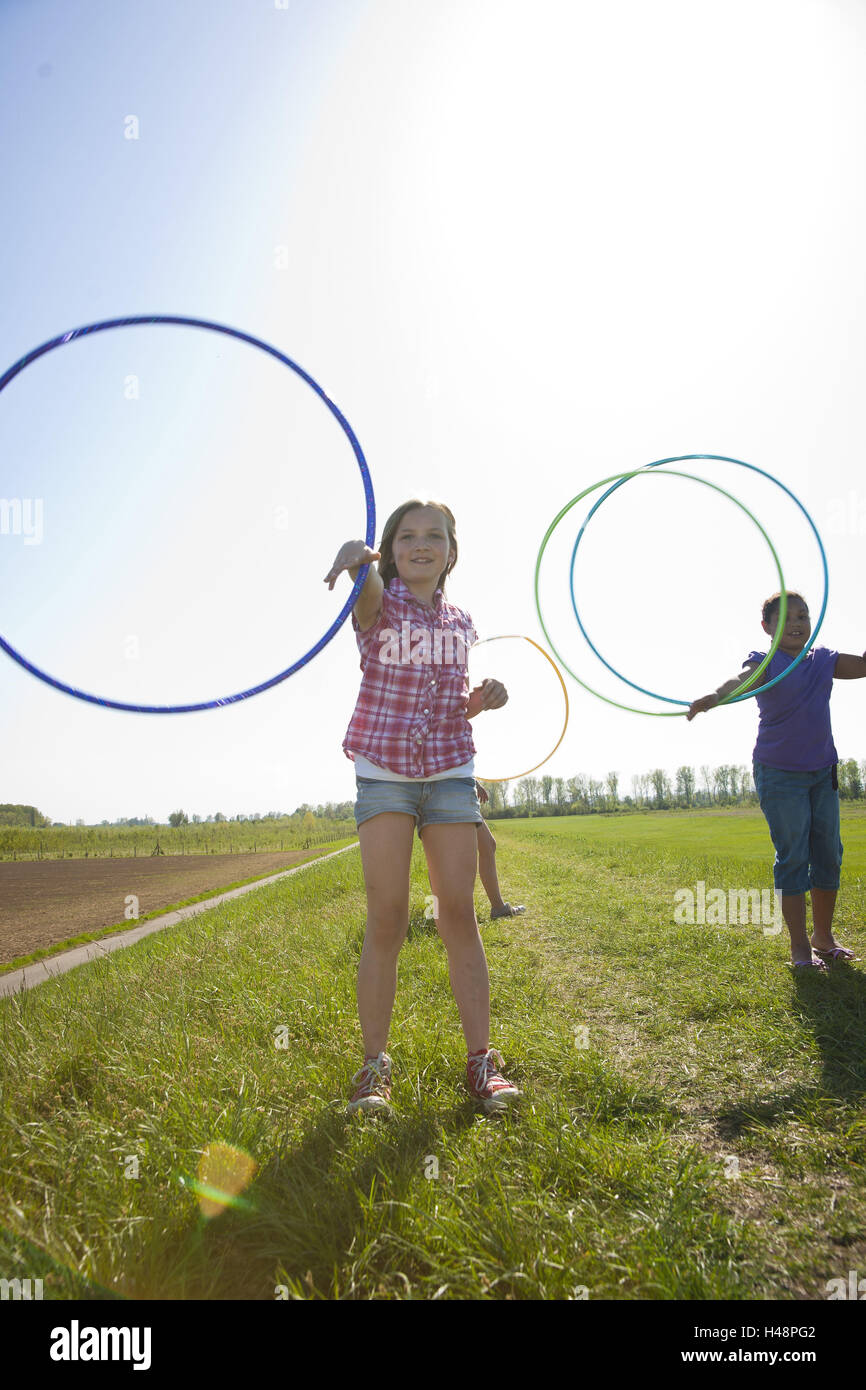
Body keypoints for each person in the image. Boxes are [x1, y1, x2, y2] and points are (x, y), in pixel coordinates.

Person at [324, 499, 521, 1114]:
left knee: (458, 912)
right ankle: (374, 1067)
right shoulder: (380, 601)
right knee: (388, 914)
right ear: (390, 550)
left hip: (449, 771)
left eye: (433, 536)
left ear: (451, 552)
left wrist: (481, 698)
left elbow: (441, 703)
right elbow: (369, 595)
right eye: (406, 536)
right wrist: (360, 563)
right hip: (384, 772)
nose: (421, 543)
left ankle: (481, 1062)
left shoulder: (462, 621)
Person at [687, 590, 866, 970]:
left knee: (829, 856)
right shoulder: (765, 662)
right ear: (767, 628)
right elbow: (738, 680)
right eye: (787, 619)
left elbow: (864, 665)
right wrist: (715, 697)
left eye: (803, 616)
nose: (798, 624)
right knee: (793, 858)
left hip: (822, 772)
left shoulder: (823, 660)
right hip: (780, 773)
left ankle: (824, 937)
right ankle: (800, 947)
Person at [474, 782, 525, 922]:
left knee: (488, 845)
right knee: (444, 855)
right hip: (452, 789)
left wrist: (476, 784)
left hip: (460, 787)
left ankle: (498, 907)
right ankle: (441, 913)